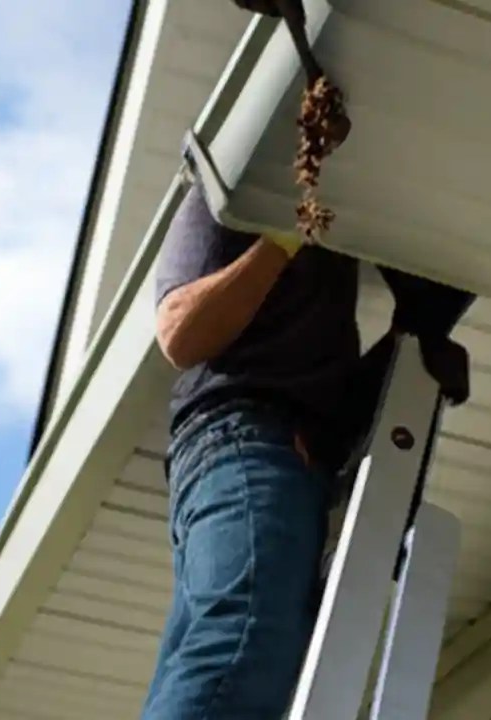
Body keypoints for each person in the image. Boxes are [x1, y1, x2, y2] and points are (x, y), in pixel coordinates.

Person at [140, 184, 361, 719]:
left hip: (265, 454)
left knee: (224, 652)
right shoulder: (227, 185)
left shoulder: (353, 221)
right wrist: (282, 240)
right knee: (242, 638)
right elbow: (179, 330)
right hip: (245, 440)